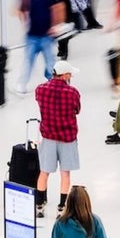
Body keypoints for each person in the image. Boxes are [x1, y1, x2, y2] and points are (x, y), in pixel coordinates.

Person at [34, 61, 82, 217]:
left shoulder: (40, 90)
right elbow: (77, 110)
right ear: (65, 75)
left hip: (48, 137)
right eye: (70, 74)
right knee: (65, 173)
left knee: (44, 172)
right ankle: (61, 207)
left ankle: (39, 205)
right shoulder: (72, 92)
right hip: (67, 137)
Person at [17, 0, 65, 95]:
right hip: (32, 36)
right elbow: (21, 11)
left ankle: (53, 83)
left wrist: (55, 26)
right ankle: (22, 84)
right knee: (28, 61)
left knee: (50, 61)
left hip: (46, 36)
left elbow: (57, 8)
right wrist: (25, 22)